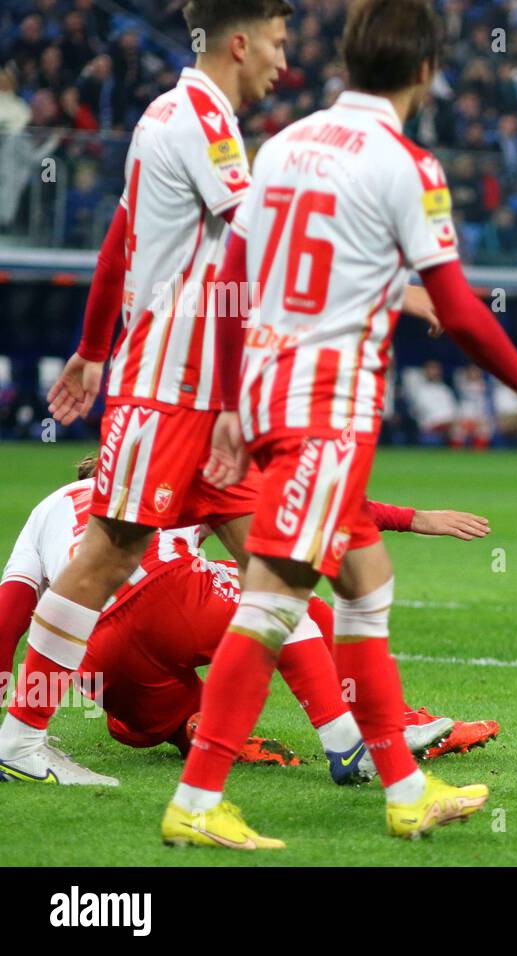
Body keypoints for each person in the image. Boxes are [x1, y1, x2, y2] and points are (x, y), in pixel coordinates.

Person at [165, 0, 517, 849]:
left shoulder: (284, 143)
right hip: (326, 413)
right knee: (275, 604)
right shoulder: (407, 164)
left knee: (367, 583)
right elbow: (457, 306)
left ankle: (403, 784)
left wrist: (235, 399)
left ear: (348, 59)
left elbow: (235, 275)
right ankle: (198, 801)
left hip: (274, 396)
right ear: (426, 70)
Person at [0, 0, 295, 787]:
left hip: (181, 383)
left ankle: (358, 740)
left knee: (274, 556)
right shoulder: (201, 119)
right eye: (276, 40)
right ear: (240, 40)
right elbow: (257, 236)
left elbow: (121, 238)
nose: (282, 61)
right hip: (172, 382)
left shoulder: (168, 115)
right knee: (109, 551)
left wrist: (92, 350)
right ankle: (22, 736)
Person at [0, 455, 496, 783]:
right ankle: (379, 730)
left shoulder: (45, 510)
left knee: (137, 728)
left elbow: (11, 613)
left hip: (96, 656)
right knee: (292, 599)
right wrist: (412, 518)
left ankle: (189, 731)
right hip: (167, 592)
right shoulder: (163, 475)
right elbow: (293, 508)